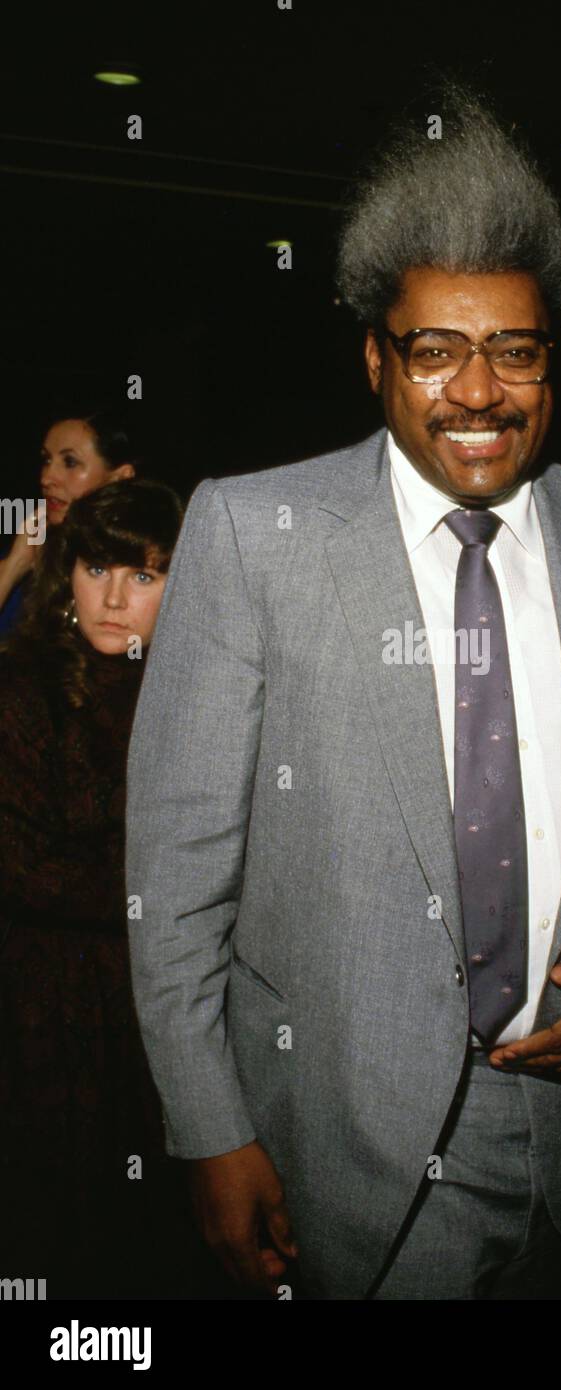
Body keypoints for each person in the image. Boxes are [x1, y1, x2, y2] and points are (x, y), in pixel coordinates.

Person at [126, 85, 561, 1302]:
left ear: (548, 356)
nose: (478, 392)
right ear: (375, 358)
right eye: (436, 349)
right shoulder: (256, 534)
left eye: (514, 349)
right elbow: (175, 877)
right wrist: (208, 1129)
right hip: (344, 1151)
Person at [0, 478, 208, 1300]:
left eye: (145, 576)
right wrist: (180, 890)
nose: (115, 598)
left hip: (168, 996)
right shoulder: (21, 690)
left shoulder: (197, 697)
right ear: (66, 577)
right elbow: (21, 866)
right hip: (47, 994)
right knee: (65, 1226)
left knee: (165, 1221)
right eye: (96, 569)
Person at [0, 408, 138, 638]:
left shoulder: (142, 564)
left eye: (70, 462)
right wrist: (14, 567)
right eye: (46, 460)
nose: (46, 478)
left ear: (120, 477)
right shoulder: (27, 557)